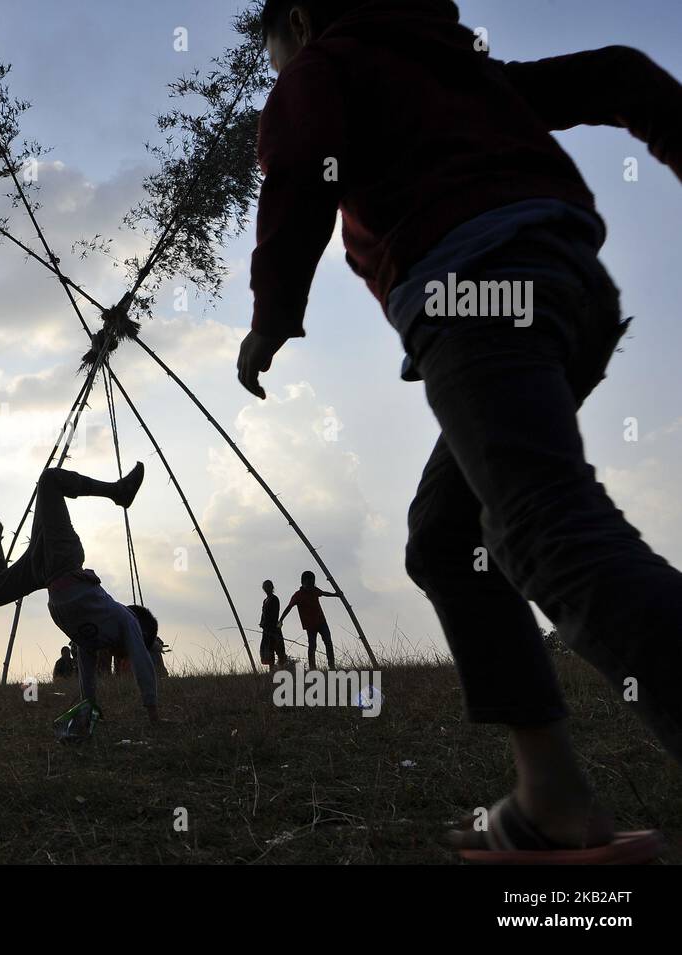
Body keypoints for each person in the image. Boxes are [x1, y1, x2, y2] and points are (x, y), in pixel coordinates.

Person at [238, 0, 682, 861]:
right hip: (570, 289)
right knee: (448, 537)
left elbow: (298, 163)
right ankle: (553, 799)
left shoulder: (324, 65)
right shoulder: (457, 69)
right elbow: (620, 73)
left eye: (276, 55)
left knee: (548, 529)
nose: (279, 73)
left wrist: (272, 314)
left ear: (299, 19)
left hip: (476, 288)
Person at [0, 465, 159, 722]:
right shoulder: (123, 619)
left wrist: (90, 707)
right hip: (63, 559)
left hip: (46, 573)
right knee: (50, 479)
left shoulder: (93, 638)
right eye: (139, 642)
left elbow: (86, 673)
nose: (126, 654)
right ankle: (118, 492)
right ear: (138, 629)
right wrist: (152, 712)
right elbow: (143, 663)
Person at [280, 571, 338, 669]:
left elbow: (324, 593)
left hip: (321, 622)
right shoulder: (298, 595)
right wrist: (281, 619)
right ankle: (312, 668)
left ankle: (332, 666)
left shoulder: (314, 590)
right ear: (303, 582)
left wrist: (336, 594)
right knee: (312, 646)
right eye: (308, 583)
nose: (310, 585)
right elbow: (289, 607)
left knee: (328, 642)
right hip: (310, 625)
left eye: (312, 582)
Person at [259, 580, 288, 669]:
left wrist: (267, 622)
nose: (267, 589)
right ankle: (271, 669)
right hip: (266, 629)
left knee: (278, 649)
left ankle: (282, 667)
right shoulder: (265, 601)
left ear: (272, 588)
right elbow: (263, 613)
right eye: (265, 587)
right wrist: (262, 622)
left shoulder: (274, 599)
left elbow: (275, 614)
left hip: (273, 628)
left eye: (268, 587)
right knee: (269, 650)